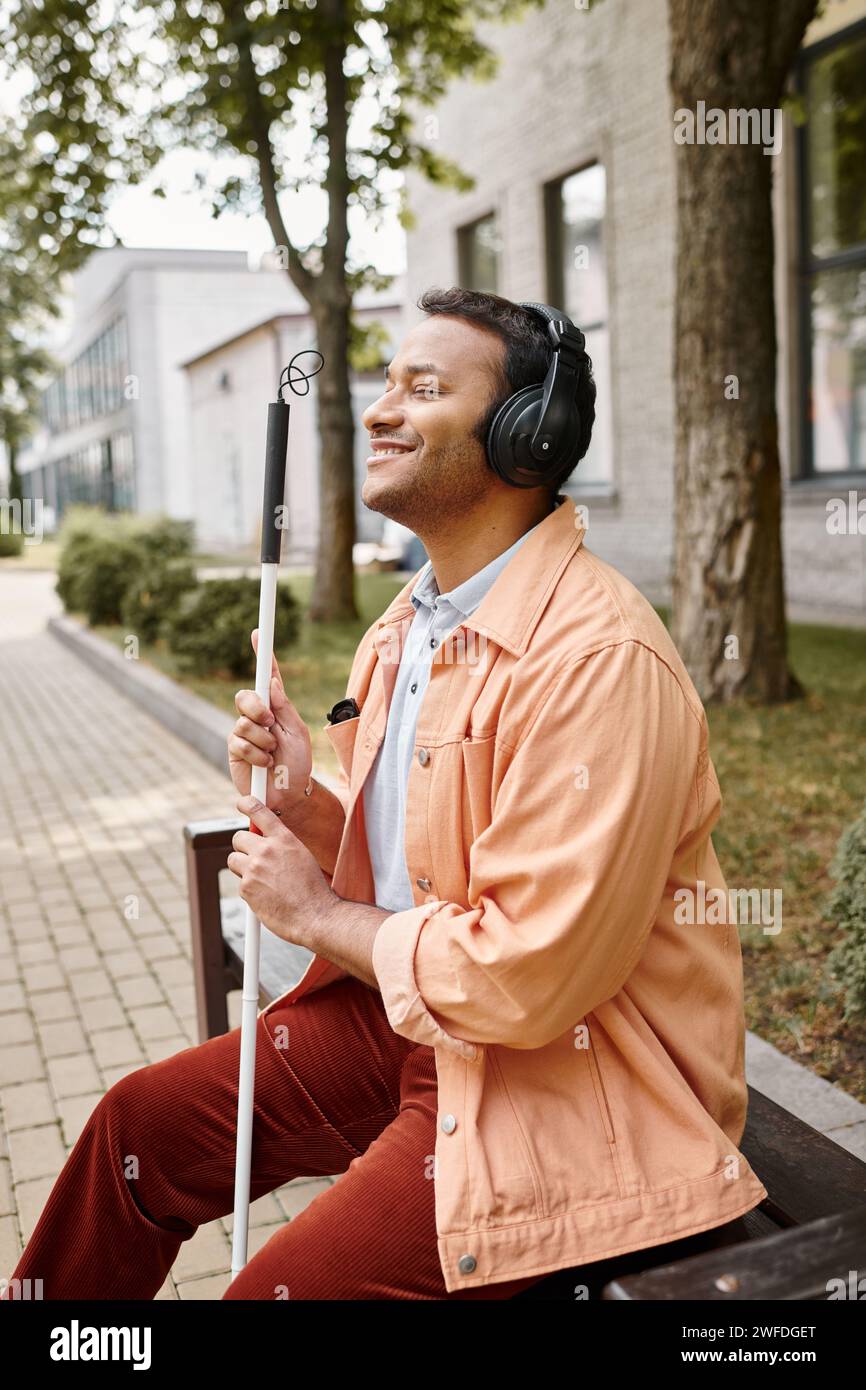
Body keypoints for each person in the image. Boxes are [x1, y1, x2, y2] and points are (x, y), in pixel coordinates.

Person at [3, 288, 766, 1301]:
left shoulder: (597, 657)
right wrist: (309, 804)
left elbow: (527, 973)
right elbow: (418, 868)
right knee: (134, 1128)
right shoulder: (406, 625)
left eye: (423, 387)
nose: (376, 410)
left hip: (561, 1082)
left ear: (522, 434)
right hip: (416, 1025)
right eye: (385, 383)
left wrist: (314, 912)